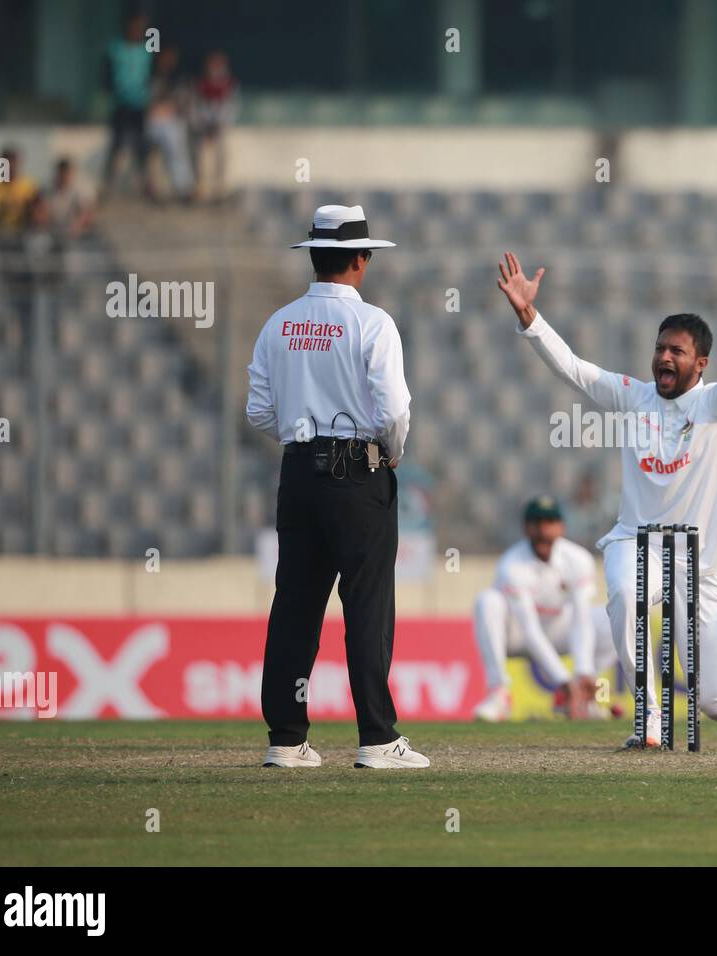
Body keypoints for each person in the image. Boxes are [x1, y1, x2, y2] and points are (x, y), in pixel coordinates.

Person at [497, 251, 717, 749]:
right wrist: (529, 316)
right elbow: (576, 372)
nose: (664, 358)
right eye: (660, 349)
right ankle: (648, 720)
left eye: (677, 351)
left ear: (701, 363)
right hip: (638, 540)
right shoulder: (634, 397)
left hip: (705, 565)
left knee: (714, 703)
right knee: (626, 593)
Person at [246, 204, 429, 770]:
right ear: (360, 259)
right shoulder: (373, 323)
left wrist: (304, 436)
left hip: (297, 472)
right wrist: (387, 455)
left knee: (295, 606)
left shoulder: (278, 323)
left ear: (314, 258)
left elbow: (259, 411)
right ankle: (376, 737)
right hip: (359, 473)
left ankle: (286, 737)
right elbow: (394, 410)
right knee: (367, 607)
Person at [472, 495, 619, 722]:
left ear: (561, 527)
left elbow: (581, 618)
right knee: (487, 601)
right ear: (526, 528)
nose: (543, 530)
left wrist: (583, 671)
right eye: (536, 523)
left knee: (613, 618)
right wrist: (562, 680)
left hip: (559, 628)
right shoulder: (511, 565)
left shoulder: (578, 559)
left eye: (549, 522)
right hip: (518, 635)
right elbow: (530, 629)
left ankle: (584, 695)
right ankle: (499, 694)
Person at [101, 11, 154, 198]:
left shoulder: (146, 51)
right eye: (136, 26)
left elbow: (152, 75)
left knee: (141, 146)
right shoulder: (115, 48)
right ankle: (108, 186)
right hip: (121, 104)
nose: (138, 31)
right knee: (117, 145)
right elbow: (105, 75)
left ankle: (146, 185)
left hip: (139, 104)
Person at [145, 46, 196, 203]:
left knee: (175, 147)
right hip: (153, 123)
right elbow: (146, 104)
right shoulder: (151, 77)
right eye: (165, 57)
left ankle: (184, 189)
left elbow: (185, 104)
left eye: (171, 57)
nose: (167, 61)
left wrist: (169, 109)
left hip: (175, 122)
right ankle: (160, 190)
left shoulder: (181, 79)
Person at [191, 51, 238, 203]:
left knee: (222, 153)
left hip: (220, 126)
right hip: (204, 126)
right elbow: (197, 106)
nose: (216, 68)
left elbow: (231, 107)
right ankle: (201, 187)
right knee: (201, 154)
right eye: (213, 64)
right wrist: (205, 123)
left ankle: (219, 188)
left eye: (219, 65)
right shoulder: (201, 83)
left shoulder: (229, 83)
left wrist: (219, 123)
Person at [43, 158, 96, 239]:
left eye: (67, 173)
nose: (64, 176)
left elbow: (86, 212)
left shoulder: (79, 192)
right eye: (62, 173)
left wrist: (77, 225)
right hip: (51, 232)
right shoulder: (48, 191)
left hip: (72, 233)